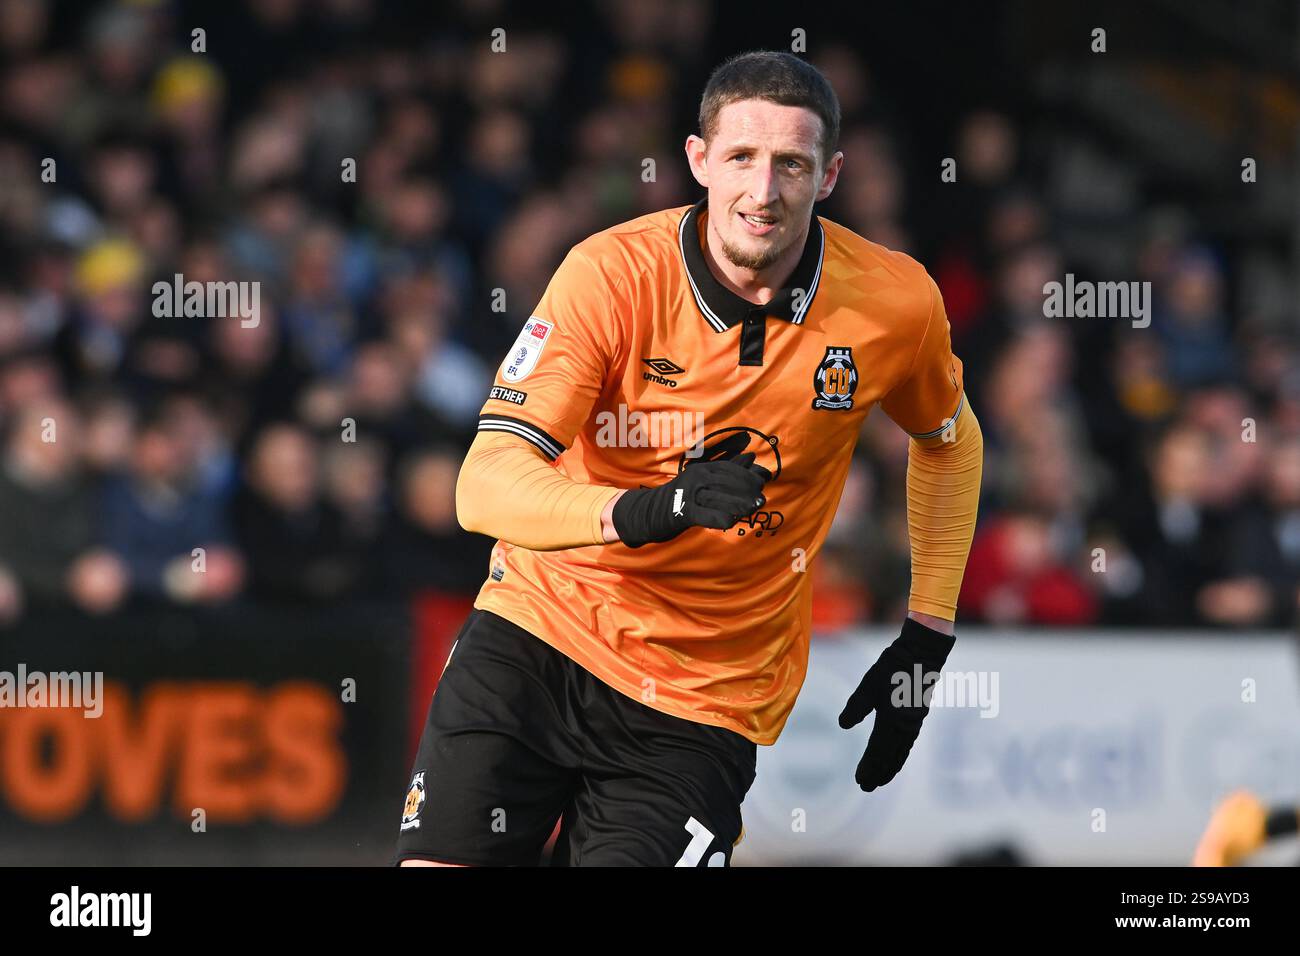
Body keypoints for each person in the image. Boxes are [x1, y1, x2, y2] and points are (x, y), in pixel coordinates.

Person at [395, 50, 983, 867]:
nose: (763, 190)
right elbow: (482, 485)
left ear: (831, 176)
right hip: (541, 633)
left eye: (791, 164)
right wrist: (647, 510)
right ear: (698, 160)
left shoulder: (895, 303)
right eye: (741, 157)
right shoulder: (610, 276)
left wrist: (928, 632)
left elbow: (949, 442)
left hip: (705, 698)